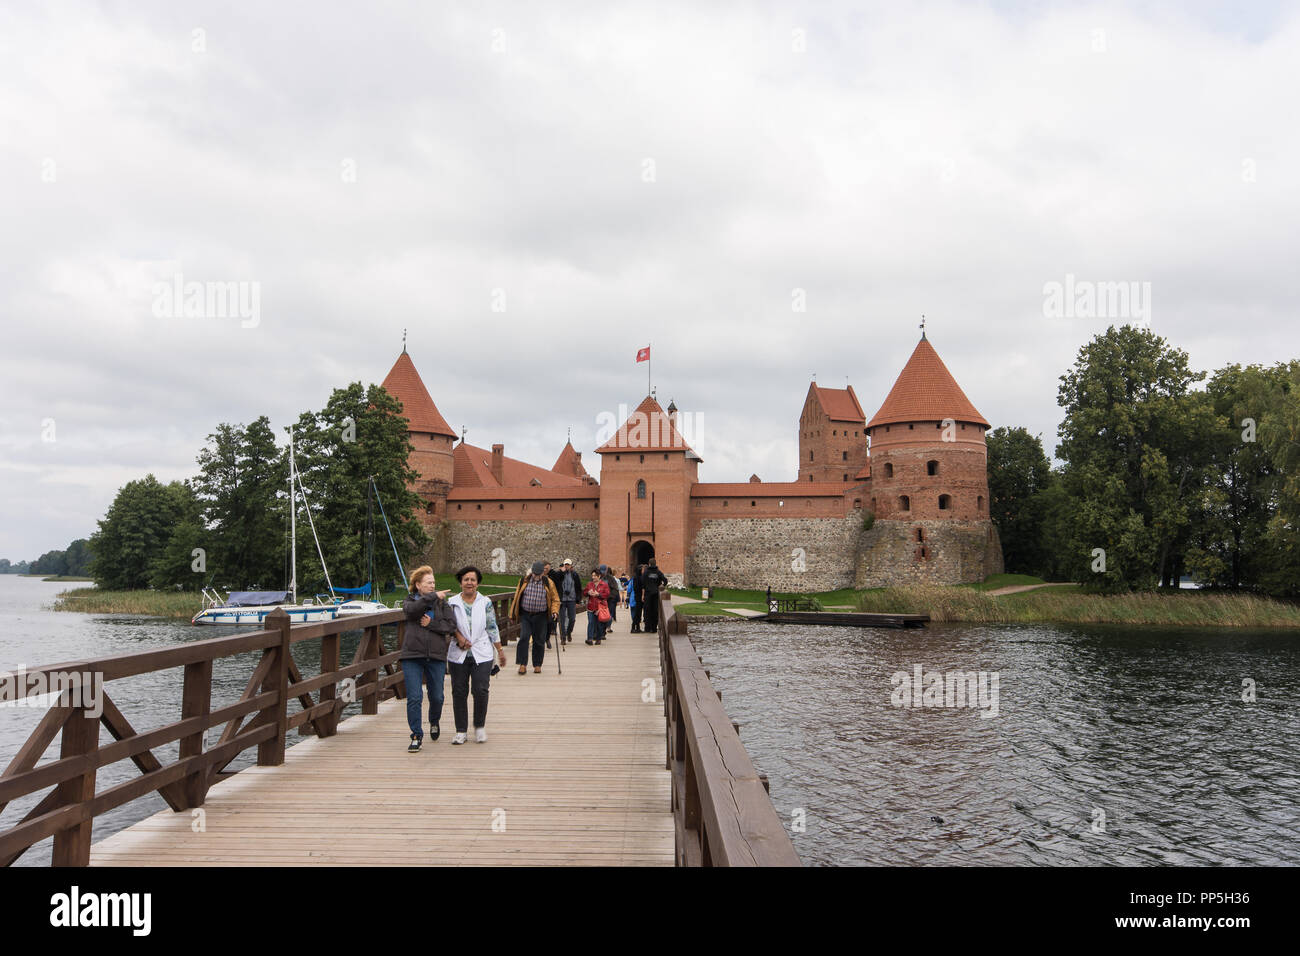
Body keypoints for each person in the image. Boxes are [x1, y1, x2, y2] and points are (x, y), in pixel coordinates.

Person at [446, 566, 507, 744]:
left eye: (473, 580)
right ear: (461, 582)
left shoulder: (485, 602)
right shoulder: (452, 602)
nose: (469, 583)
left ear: (478, 582)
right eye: (466, 579)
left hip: (482, 651)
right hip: (459, 652)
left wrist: (500, 650)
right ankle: (461, 730)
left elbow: (492, 626)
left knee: (480, 689)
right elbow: (448, 625)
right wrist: (459, 638)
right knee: (459, 691)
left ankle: (479, 726)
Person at [399, 566, 458, 752]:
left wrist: (431, 624)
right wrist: (432, 597)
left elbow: (450, 626)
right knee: (415, 697)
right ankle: (416, 735)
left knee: (437, 697)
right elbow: (413, 612)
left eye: (434, 583)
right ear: (418, 585)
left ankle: (434, 720)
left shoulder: (442, 604)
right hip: (412, 656)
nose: (433, 586)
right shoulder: (409, 601)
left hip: (435, 656)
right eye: (429, 583)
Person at [510, 561, 559, 674]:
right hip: (526, 614)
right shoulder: (524, 581)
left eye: (538, 574)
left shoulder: (548, 582)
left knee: (539, 640)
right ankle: (522, 664)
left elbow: (555, 599)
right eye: (534, 574)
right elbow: (517, 597)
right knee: (524, 638)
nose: (536, 576)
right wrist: (512, 614)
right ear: (532, 572)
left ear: (543, 573)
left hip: (541, 615)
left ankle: (537, 664)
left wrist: (555, 611)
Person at [554, 558, 582, 644]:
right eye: (565, 564)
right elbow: (555, 581)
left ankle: (569, 632)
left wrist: (578, 600)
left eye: (568, 565)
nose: (566, 566)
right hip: (562, 599)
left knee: (572, 619)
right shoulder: (559, 574)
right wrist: (560, 572)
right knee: (561, 619)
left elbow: (578, 587)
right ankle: (563, 637)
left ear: (571, 566)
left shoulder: (575, 575)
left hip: (571, 599)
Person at [583, 569, 610, 645]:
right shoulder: (589, 584)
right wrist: (588, 592)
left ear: (599, 576)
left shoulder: (604, 584)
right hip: (591, 606)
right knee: (591, 623)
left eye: (595, 575)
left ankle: (598, 639)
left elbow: (607, 594)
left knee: (599, 624)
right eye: (592, 575)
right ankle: (590, 639)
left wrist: (598, 595)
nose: (593, 577)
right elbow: (584, 593)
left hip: (600, 607)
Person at [641, 558, 668, 633]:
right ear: (655, 564)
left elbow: (642, 584)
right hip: (656, 594)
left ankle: (647, 628)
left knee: (647, 611)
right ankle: (654, 628)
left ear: (649, 564)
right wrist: (661, 586)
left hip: (648, 594)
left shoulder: (646, 572)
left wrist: (642, 595)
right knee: (655, 611)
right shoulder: (658, 572)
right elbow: (665, 580)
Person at [601, 564, 620, 634]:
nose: (603, 572)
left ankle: (608, 627)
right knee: (602, 614)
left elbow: (615, 588)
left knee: (609, 614)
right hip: (601, 599)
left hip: (610, 599)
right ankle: (603, 629)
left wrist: (612, 596)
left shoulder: (611, 578)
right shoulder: (598, 577)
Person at [630, 564, 645, 632]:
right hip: (638, 597)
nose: (643, 571)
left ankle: (637, 627)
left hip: (638, 596)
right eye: (642, 570)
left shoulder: (637, 577)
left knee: (638, 613)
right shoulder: (638, 578)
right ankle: (633, 627)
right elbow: (638, 588)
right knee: (637, 613)